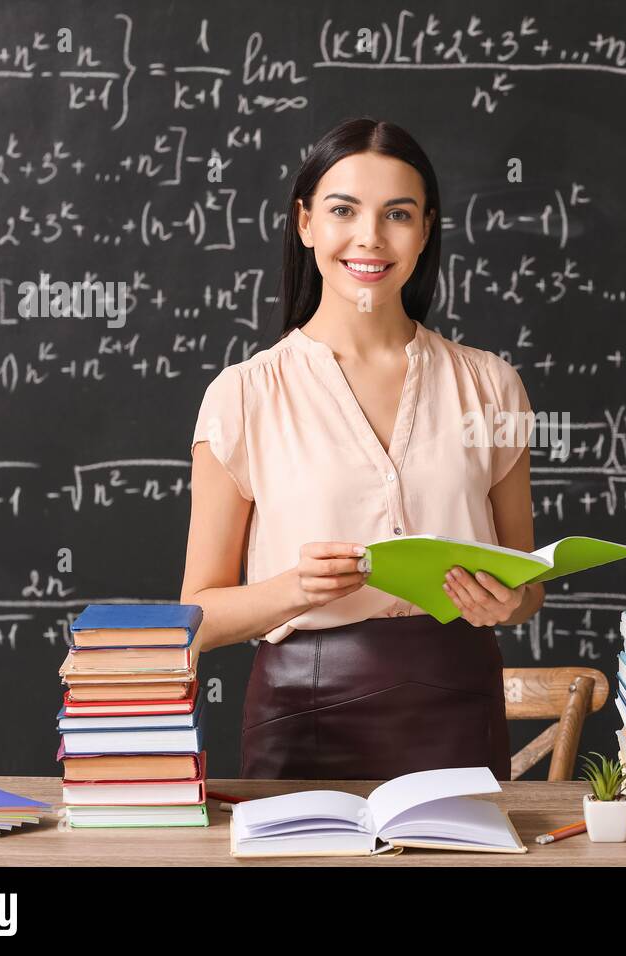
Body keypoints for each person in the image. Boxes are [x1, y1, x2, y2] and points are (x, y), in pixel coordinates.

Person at [181, 117, 543, 781]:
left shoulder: (493, 385)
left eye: (397, 214)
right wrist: (295, 588)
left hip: (459, 702)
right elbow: (197, 616)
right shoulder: (242, 395)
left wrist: (509, 602)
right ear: (306, 222)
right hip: (301, 707)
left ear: (426, 228)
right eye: (343, 210)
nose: (370, 238)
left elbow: (526, 581)